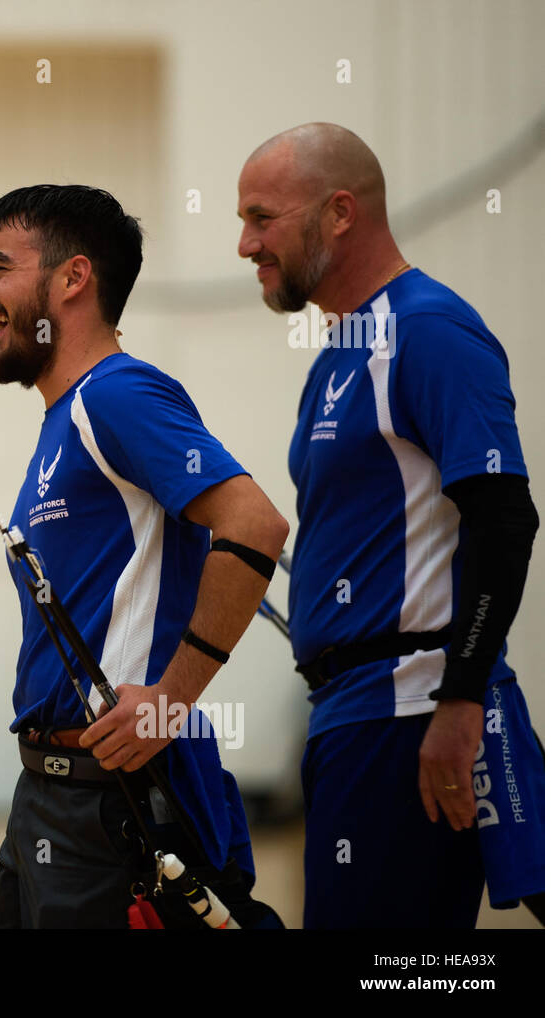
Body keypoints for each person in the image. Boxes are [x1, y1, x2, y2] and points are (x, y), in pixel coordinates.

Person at [236, 122, 545, 928]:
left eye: (262, 218)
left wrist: (462, 698)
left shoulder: (428, 330)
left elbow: (504, 519)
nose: (245, 244)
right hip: (354, 720)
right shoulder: (336, 358)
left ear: (339, 212)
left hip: (411, 719)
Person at [0, 184, 288, 928]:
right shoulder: (64, 418)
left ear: (73, 278)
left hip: (115, 804)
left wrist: (173, 699)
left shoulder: (117, 394)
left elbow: (255, 524)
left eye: (0, 267)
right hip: (47, 800)